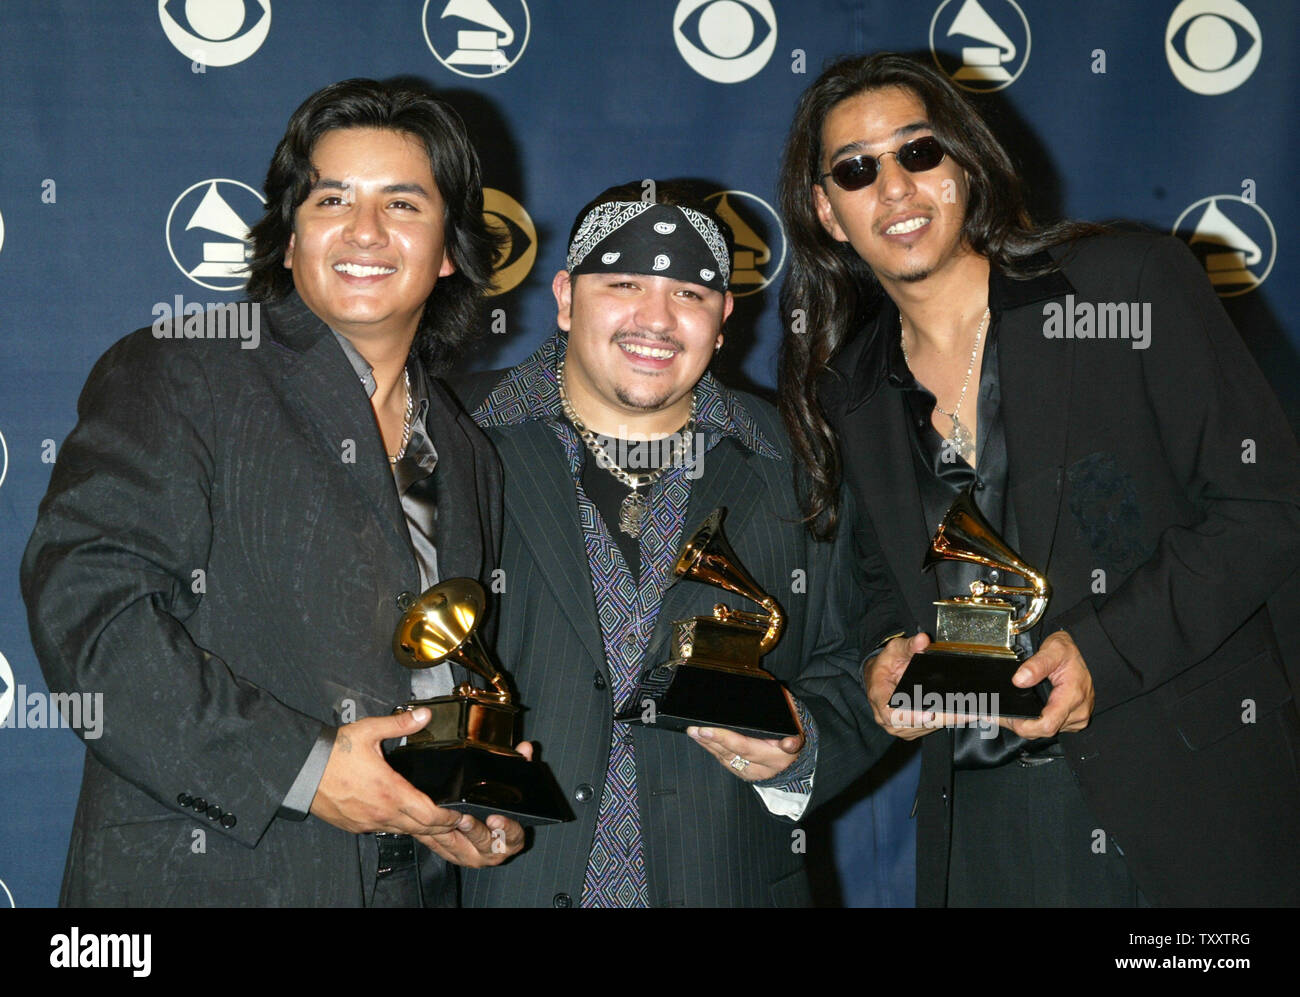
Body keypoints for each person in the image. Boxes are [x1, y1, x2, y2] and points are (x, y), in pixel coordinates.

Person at [777, 53, 1300, 906]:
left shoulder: (1125, 287)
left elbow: (1267, 505)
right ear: (827, 213)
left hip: (1184, 803)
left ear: (967, 164)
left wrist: (1104, 653)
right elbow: (881, 578)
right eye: (856, 170)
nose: (896, 190)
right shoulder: (851, 389)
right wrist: (883, 654)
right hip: (984, 826)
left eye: (919, 152)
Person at [21, 78, 528, 907]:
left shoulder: (469, 452)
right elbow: (92, 614)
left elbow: (432, 681)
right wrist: (306, 769)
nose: (365, 230)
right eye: (332, 198)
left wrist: (473, 796)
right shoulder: (186, 366)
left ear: (448, 251)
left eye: (403, 204)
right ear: (289, 241)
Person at [456, 181, 889, 907]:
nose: (655, 319)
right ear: (565, 297)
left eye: (690, 293)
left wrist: (803, 745)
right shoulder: (450, 435)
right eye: (623, 283)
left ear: (722, 321)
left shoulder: (805, 457)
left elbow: (870, 643)